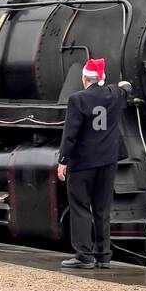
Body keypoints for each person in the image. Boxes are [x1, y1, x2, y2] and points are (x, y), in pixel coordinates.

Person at [56, 57, 132, 269]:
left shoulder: (77, 99)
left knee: (80, 207)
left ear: (84, 79)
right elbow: (127, 87)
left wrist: (63, 161)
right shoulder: (115, 94)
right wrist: (118, 85)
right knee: (102, 209)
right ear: (102, 78)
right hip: (108, 162)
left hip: (83, 164)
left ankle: (84, 255)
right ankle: (103, 256)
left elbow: (69, 135)